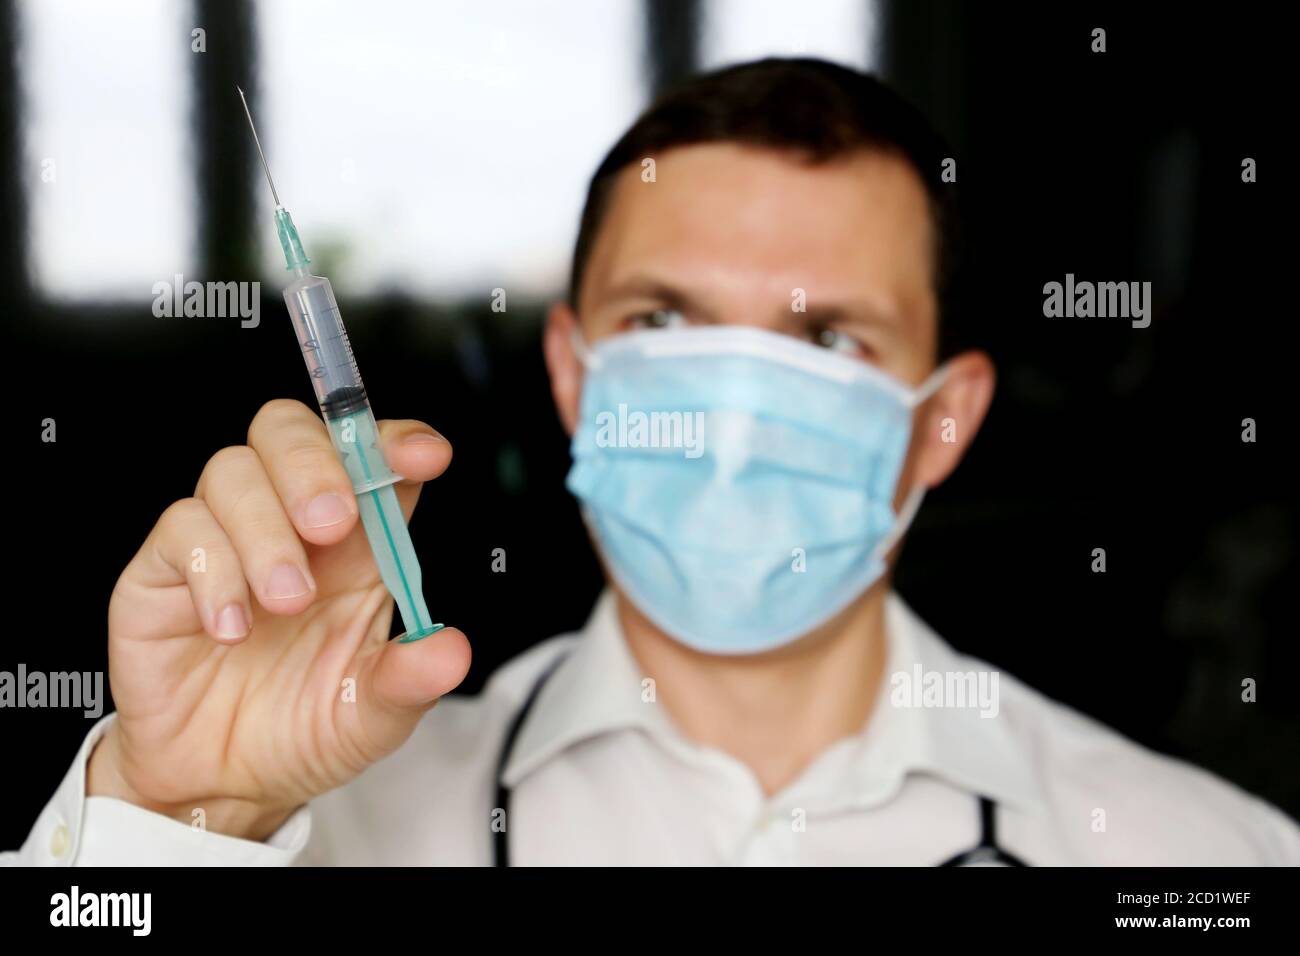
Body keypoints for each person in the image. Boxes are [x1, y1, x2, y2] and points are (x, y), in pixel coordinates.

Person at [6, 58, 1297, 866]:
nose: (728, 408)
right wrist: (167, 815)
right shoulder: (313, 830)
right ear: (573, 374)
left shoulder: (1209, 861)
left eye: (824, 336)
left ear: (942, 418)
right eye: (663, 323)